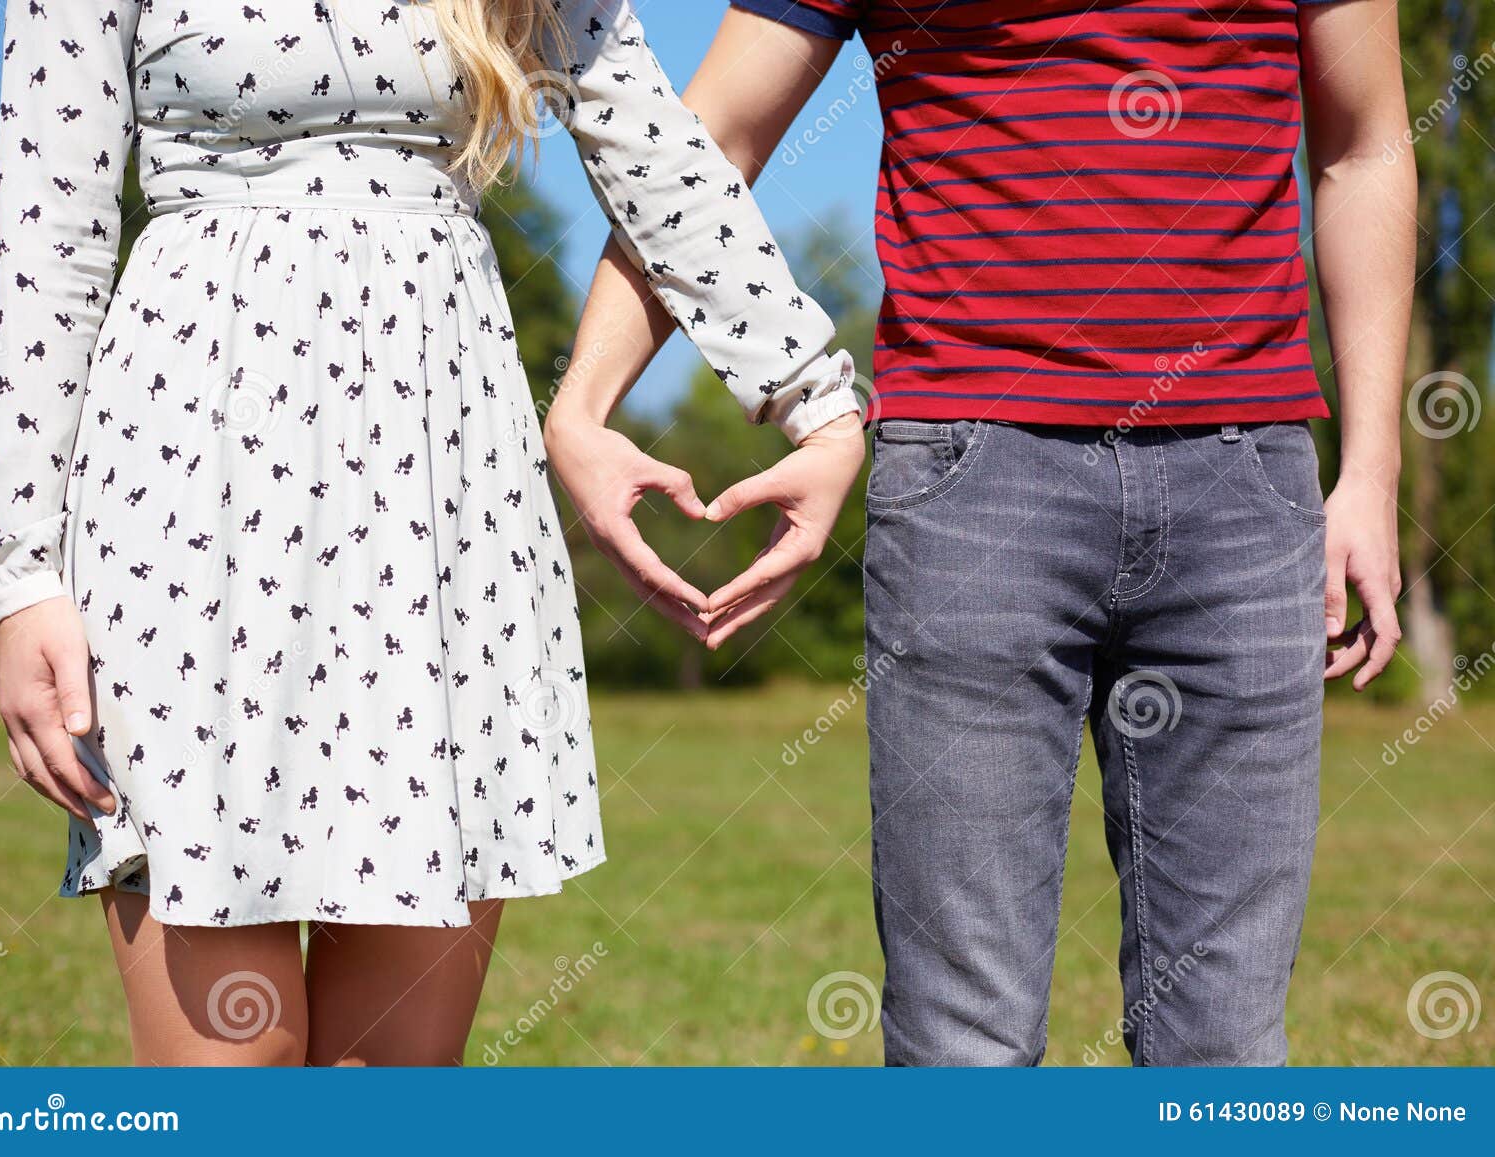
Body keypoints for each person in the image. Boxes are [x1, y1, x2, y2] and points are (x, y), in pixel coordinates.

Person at [0, 0, 858, 1066]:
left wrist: (816, 397)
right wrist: (19, 569)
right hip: (189, 493)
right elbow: (50, 249)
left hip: (437, 490)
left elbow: (656, 150)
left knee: (393, 1082)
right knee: (227, 1070)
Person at [548, 0, 1414, 1064]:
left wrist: (1371, 469)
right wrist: (583, 398)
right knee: (962, 1039)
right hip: (972, 487)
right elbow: (707, 139)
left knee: (1227, 1044)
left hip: (1244, 480)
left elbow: (1366, 141)